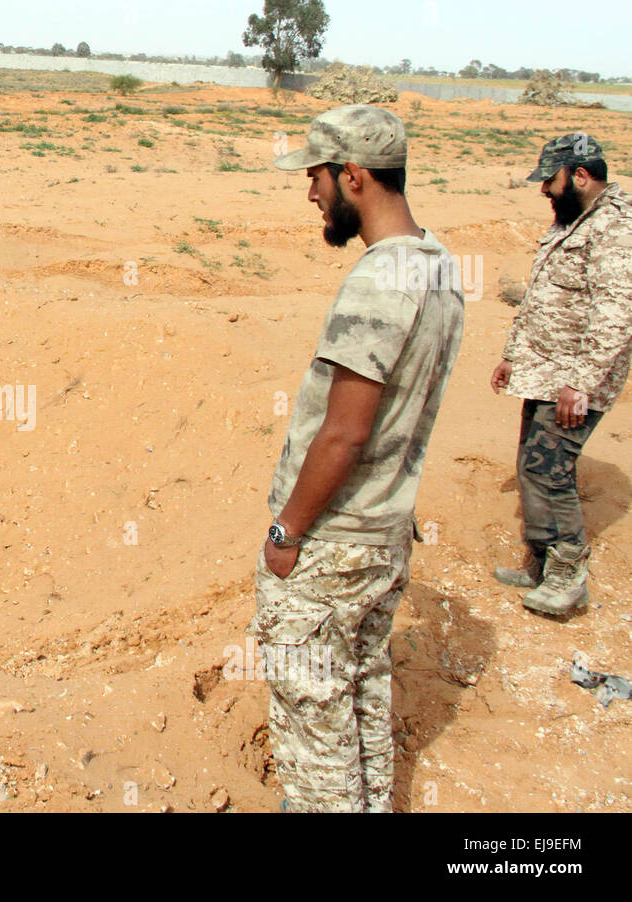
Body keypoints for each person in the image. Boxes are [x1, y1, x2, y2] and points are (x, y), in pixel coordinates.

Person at [251, 105, 464, 812]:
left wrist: (287, 534)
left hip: (332, 545)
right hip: (384, 537)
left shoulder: (380, 280)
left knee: (315, 733)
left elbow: (343, 433)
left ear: (353, 176)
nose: (310, 193)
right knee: (363, 696)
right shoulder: (440, 267)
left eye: (316, 177)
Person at [490, 133, 632, 616]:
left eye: (550, 180)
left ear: (581, 176)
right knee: (531, 464)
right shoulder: (574, 219)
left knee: (551, 470)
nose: (544, 190)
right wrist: (513, 355)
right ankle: (540, 564)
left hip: (574, 381)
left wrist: (582, 383)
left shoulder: (616, 227)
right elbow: (543, 296)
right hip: (544, 371)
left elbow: (616, 311)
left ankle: (570, 576)